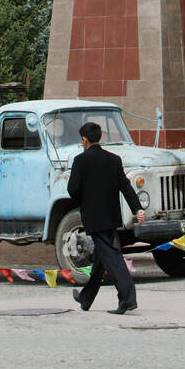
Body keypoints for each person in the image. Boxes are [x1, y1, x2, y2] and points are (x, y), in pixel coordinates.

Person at [66, 120, 145, 314]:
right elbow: (125, 187)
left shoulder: (80, 160)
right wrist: (138, 209)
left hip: (94, 217)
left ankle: (128, 299)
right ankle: (86, 299)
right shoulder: (113, 159)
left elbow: (72, 189)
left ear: (84, 139)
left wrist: (84, 201)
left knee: (112, 258)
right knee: (101, 259)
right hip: (111, 216)